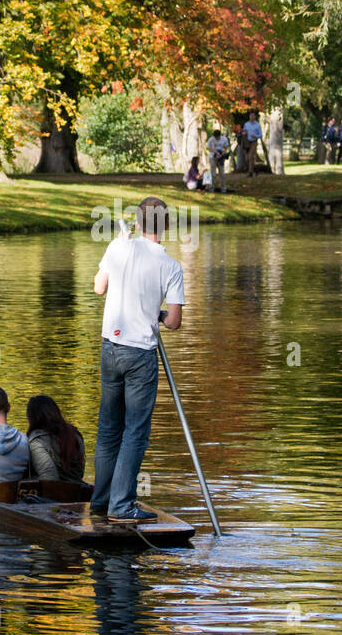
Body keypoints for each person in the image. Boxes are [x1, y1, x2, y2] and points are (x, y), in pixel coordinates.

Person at [92, 197, 185, 523]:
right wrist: (155, 313)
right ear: (167, 225)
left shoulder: (119, 247)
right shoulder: (171, 266)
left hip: (110, 348)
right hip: (140, 354)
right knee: (135, 432)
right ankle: (121, 506)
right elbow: (173, 321)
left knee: (108, 429)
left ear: (138, 222)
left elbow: (99, 287)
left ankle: (100, 503)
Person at [26, 395, 86, 483]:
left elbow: (49, 478)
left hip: (51, 493)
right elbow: (79, 473)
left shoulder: (37, 441)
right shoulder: (75, 435)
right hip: (78, 490)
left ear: (31, 418)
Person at [206, 128, 230, 193]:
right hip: (213, 157)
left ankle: (223, 188)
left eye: (217, 137)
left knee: (222, 174)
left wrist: (222, 153)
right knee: (213, 174)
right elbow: (208, 147)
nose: (216, 138)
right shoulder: (211, 139)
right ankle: (211, 188)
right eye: (215, 137)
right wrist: (215, 151)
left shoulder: (224, 139)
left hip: (221, 158)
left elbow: (226, 147)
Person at [241, 111, 263, 177]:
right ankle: (254, 170)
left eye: (253, 116)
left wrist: (255, 136)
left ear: (255, 117)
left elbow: (260, 135)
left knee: (250, 156)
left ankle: (250, 172)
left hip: (254, 141)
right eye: (250, 116)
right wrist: (244, 133)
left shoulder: (257, 125)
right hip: (247, 142)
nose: (251, 117)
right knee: (249, 158)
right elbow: (244, 131)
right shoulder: (246, 124)